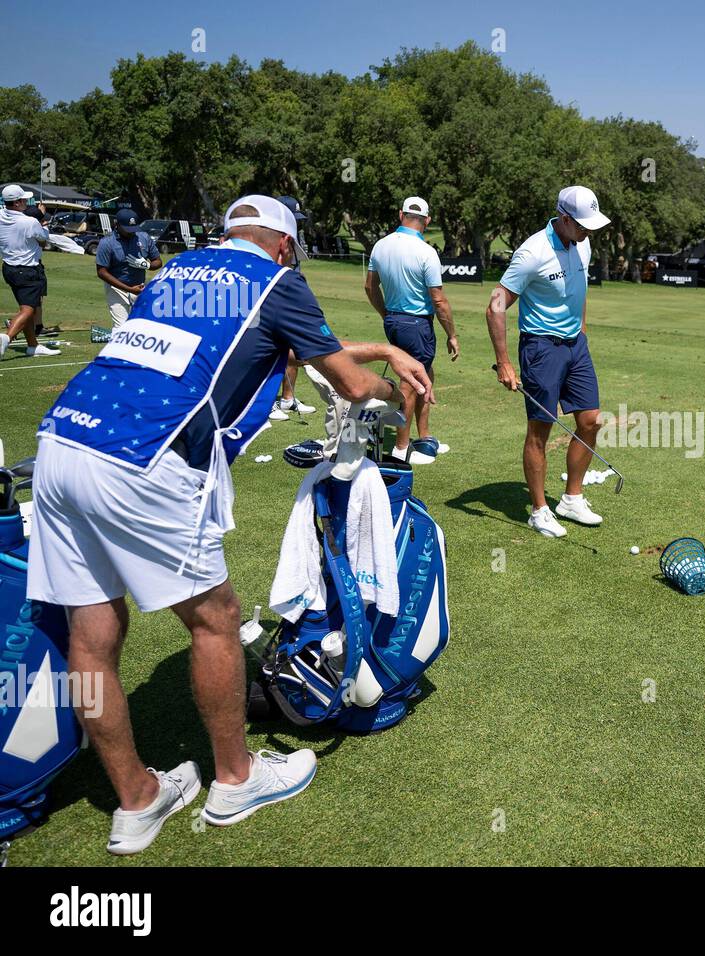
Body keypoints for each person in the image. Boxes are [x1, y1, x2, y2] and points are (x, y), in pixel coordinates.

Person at [25, 195, 431, 855]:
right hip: (146, 456)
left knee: (92, 635)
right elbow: (354, 385)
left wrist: (381, 343)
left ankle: (137, 800)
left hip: (63, 444)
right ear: (283, 246)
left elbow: (285, 345)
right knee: (216, 621)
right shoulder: (277, 280)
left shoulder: (182, 269)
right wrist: (397, 388)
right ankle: (237, 779)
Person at [487, 185, 610, 538]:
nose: (589, 231)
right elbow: (495, 306)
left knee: (590, 421)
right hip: (541, 348)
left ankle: (572, 498)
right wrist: (504, 362)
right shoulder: (532, 252)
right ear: (564, 218)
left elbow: (580, 289)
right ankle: (538, 510)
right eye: (583, 224)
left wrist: (582, 330)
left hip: (575, 346)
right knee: (541, 430)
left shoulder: (582, 242)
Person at [365, 197, 458, 464]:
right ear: (427, 221)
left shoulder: (380, 245)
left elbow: (370, 287)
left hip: (394, 322)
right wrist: (451, 334)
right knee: (411, 383)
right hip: (417, 325)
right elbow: (438, 300)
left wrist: (386, 315)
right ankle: (401, 449)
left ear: (400, 214)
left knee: (426, 374)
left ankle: (424, 438)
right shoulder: (426, 251)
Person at [268, 195, 317, 421]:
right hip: (273, 301)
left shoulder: (292, 238)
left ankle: (288, 399)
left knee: (292, 348)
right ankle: (267, 403)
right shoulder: (269, 241)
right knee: (271, 352)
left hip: (290, 299)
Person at [0, 184, 59, 358]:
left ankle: (32, 345)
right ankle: (6, 338)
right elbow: (43, 241)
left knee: (26, 308)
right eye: (24, 199)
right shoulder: (30, 221)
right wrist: (42, 220)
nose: (27, 202)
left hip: (9, 269)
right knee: (28, 311)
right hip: (28, 270)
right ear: (17, 202)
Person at [95, 208, 162, 328]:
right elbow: (101, 272)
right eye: (127, 229)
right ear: (117, 225)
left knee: (143, 325)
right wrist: (129, 289)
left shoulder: (143, 237)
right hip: (116, 288)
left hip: (140, 287)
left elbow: (158, 261)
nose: (131, 232)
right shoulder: (107, 243)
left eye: (133, 228)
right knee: (121, 326)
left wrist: (147, 265)